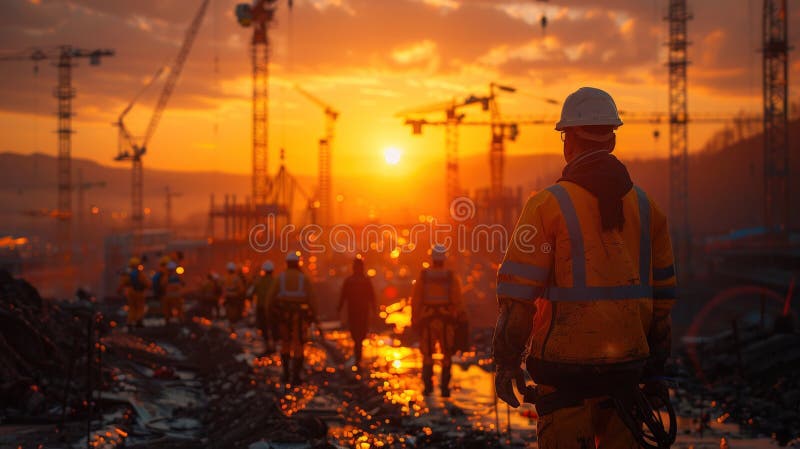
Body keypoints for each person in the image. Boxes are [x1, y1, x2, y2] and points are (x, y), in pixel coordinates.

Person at [492, 87, 677, 448]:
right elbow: (663, 304)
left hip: (564, 376)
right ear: (611, 139)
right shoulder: (648, 208)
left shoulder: (546, 205)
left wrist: (507, 364)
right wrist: (655, 374)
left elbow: (518, 298)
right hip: (627, 374)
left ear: (569, 139)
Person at [411, 244, 464, 398]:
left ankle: (428, 388)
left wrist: (414, 317)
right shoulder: (450, 276)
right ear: (444, 259)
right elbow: (457, 299)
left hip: (427, 320)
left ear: (432, 258)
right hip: (446, 320)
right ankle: (445, 389)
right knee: (447, 354)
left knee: (427, 354)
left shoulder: (424, 275)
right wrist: (459, 315)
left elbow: (416, 299)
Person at [265, 251, 317, 385]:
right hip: (299, 318)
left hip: (283, 317)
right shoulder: (304, 278)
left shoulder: (280, 278)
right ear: (298, 263)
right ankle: (296, 377)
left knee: (285, 344)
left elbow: (269, 299)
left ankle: (286, 373)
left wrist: (269, 314)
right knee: (299, 345)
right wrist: (314, 316)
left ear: (287, 263)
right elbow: (312, 299)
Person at [338, 255, 376, 366]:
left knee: (357, 336)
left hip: (354, 312)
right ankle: (358, 357)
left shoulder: (350, 281)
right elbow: (372, 297)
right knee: (359, 336)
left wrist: (339, 308)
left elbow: (343, 296)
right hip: (361, 312)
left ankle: (357, 357)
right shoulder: (364, 281)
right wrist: (374, 310)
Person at [118, 257, 151, 330]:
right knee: (140, 307)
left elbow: (123, 283)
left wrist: (119, 290)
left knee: (132, 308)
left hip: (130, 292)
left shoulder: (127, 273)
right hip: (139, 292)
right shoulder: (139, 273)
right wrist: (149, 287)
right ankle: (138, 321)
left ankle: (129, 322)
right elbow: (146, 282)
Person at [252, 260, 277, 353]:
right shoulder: (275, 281)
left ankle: (267, 346)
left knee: (264, 328)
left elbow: (251, 292)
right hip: (272, 308)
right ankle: (274, 345)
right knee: (273, 327)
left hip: (261, 308)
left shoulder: (259, 281)